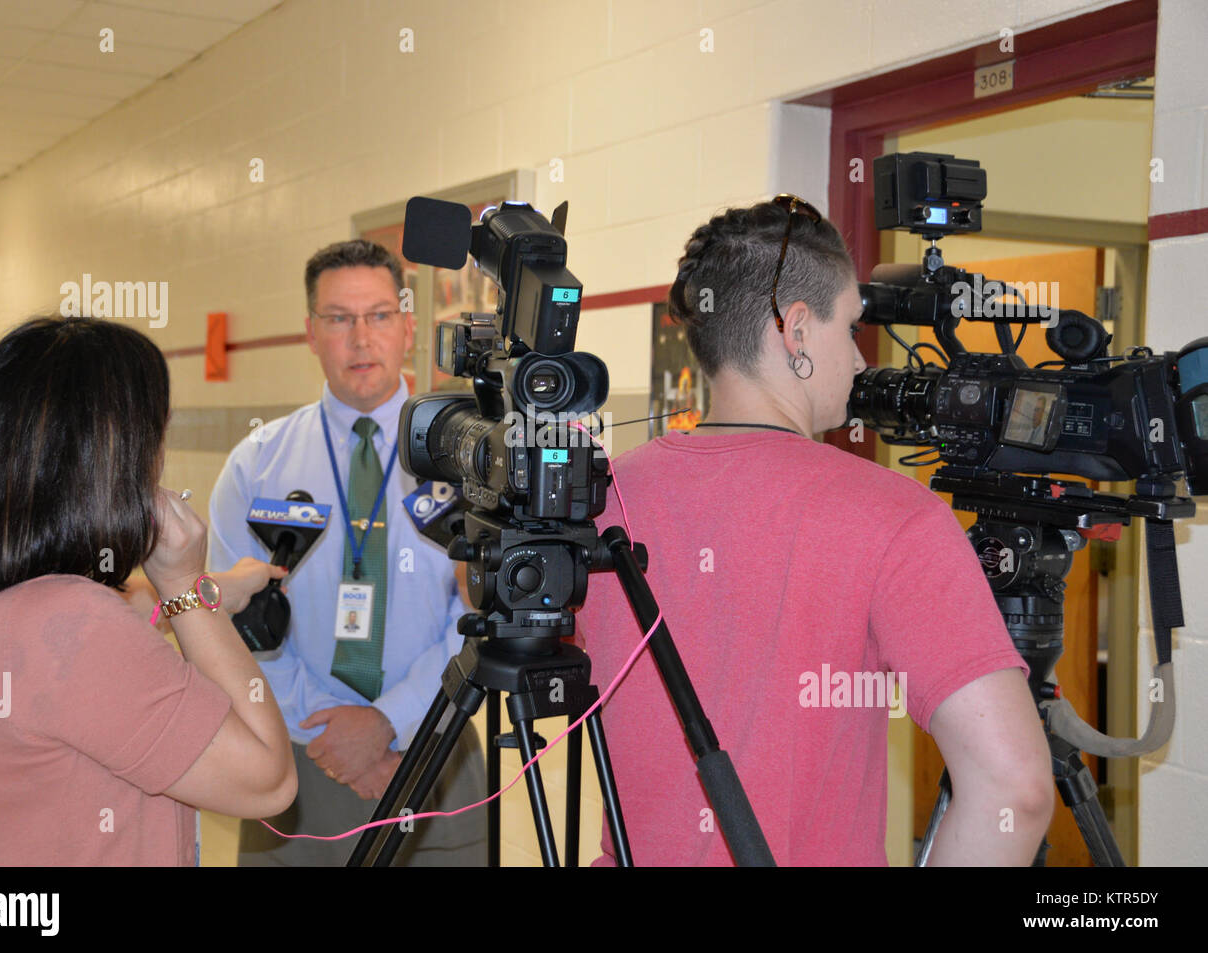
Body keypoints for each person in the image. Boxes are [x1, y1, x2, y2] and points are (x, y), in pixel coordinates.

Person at [576, 196, 1055, 866]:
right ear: (796, 331)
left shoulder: (594, 499)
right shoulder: (896, 515)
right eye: (852, 330)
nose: (861, 363)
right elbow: (1018, 788)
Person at [0, 316, 296, 866]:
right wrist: (187, 587)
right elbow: (268, 781)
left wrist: (219, 589)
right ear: (108, 463)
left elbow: (60, 645)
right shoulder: (81, 632)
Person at [209, 240, 487, 866]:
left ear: (408, 325)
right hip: (300, 760)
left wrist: (388, 722)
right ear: (311, 332)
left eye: (379, 315)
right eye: (339, 318)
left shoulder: (466, 458)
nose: (361, 338)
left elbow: (477, 622)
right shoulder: (259, 465)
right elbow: (235, 628)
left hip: (434, 751)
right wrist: (329, 728)